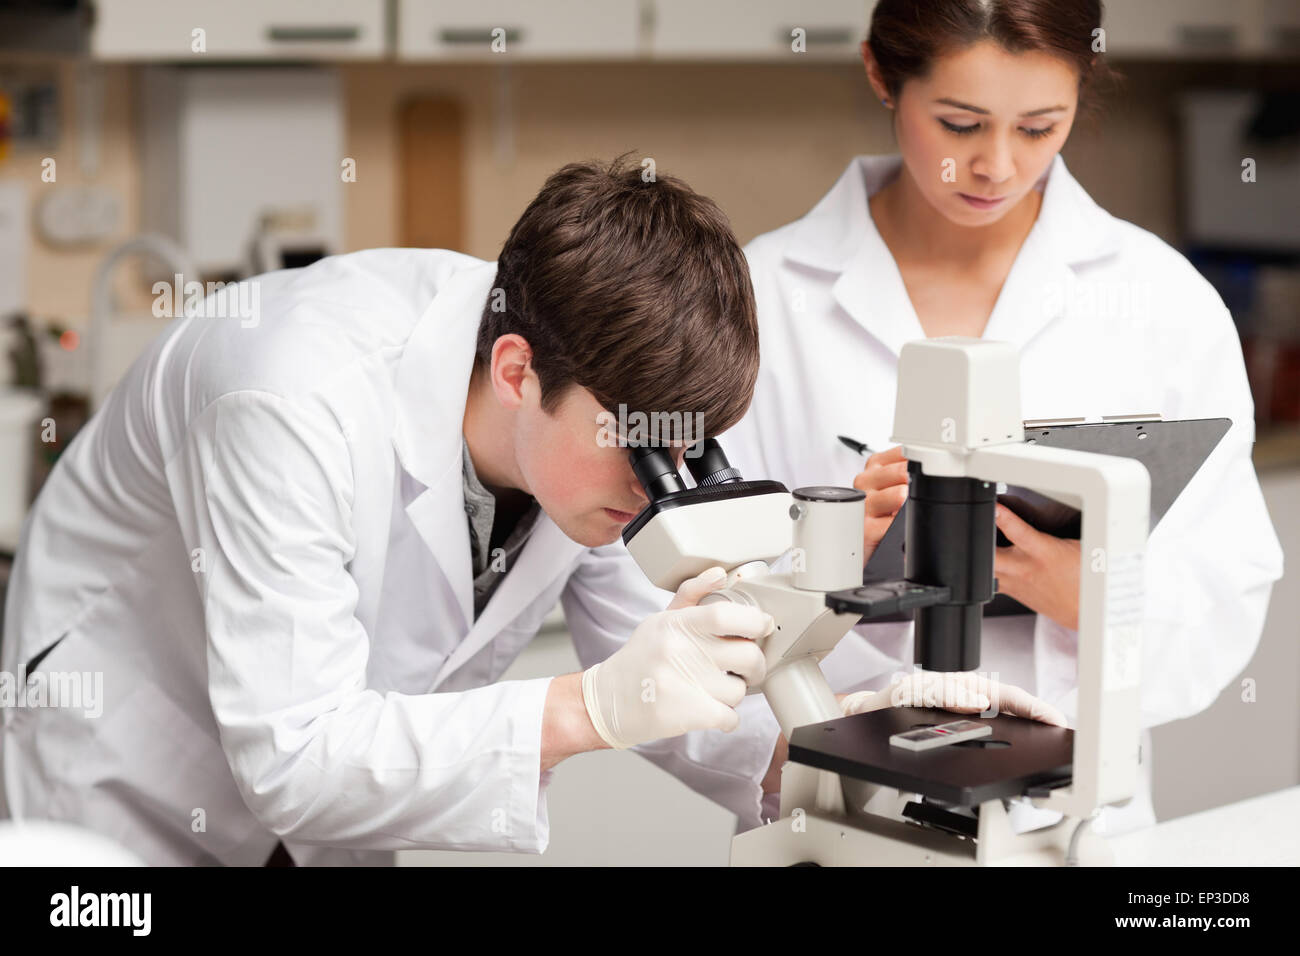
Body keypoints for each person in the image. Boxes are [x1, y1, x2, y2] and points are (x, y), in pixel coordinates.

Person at [1, 156, 1062, 865]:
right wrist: (588, 708)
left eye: (683, 452)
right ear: (517, 371)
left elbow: (672, 672)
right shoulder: (285, 395)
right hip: (126, 779)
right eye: (642, 446)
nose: (663, 483)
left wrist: (868, 734)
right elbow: (295, 756)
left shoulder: (582, 429)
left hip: (324, 806)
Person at [722, 0, 1284, 836]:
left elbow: (1228, 585)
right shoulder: (762, 297)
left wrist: (1093, 596)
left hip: (1077, 817)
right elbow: (683, 597)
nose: (994, 165)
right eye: (959, 123)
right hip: (833, 806)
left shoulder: (1161, 299)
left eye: (1039, 126)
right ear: (881, 73)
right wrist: (827, 556)